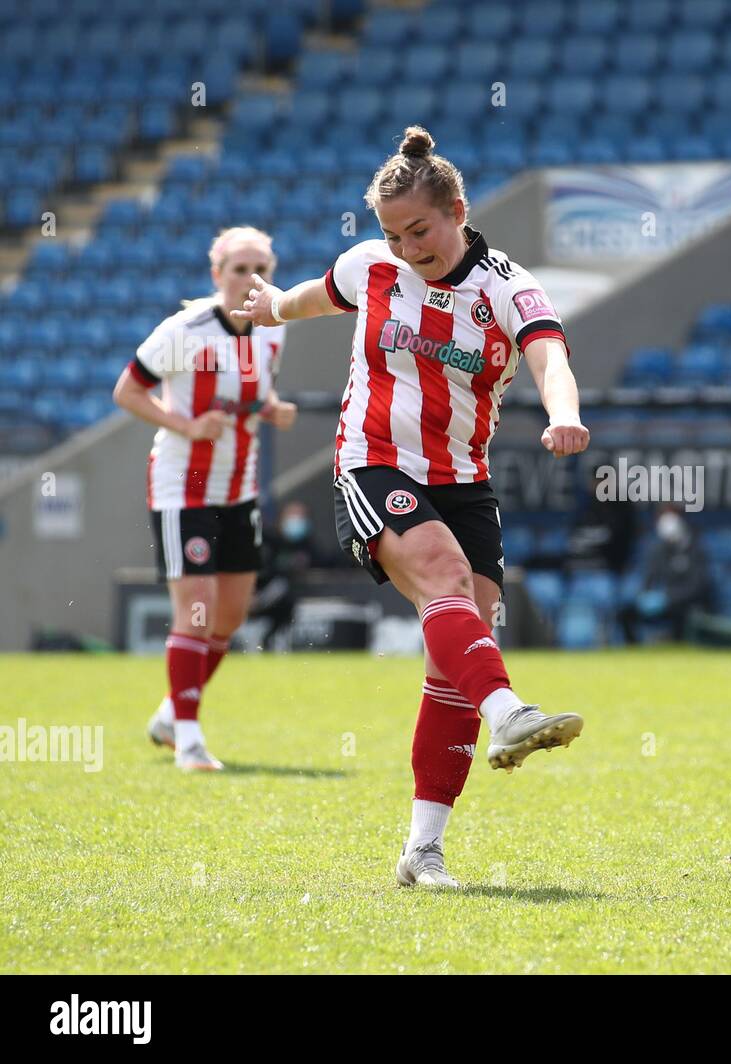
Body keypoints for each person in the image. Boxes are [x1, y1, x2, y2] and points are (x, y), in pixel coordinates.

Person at [232, 126, 589, 889]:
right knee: (443, 576)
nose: (406, 246)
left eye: (419, 229)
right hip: (372, 463)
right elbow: (314, 295)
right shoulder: (372, 265)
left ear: (457, 209)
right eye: (393, 233)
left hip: (464, 480)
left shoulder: (505, 285)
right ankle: (511, 714)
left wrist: (563, 411)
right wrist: (268, 311)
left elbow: (549, 354)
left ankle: (422, 850)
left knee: (452, 662)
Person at [113, 226, 296, 771]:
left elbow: (253, 392)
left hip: (239, 488)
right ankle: (189, 740)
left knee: (230, 617)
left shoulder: (272, 329)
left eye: (259, 267)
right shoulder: (184, 330)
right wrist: (187, 427)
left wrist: (272, 407)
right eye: (238, 268)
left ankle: (172, 711)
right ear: (217, 275)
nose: (249, 278)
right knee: (195, 612)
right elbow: (127, 391)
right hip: (183, 489)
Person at [617, 504, 713, 643]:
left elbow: (699, 586)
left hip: (684, 604)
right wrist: (645, 596)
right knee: (625, 613)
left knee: (684, 614)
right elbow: (649, 579)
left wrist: (669, 597)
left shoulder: (695, 548)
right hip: (663, 604)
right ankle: (634, 649)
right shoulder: (657, 550)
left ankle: (680, 647)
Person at [251, 500, 339, 648]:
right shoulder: (267, 542)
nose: (296, 520)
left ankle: (270, 641)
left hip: (285, 606)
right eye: (292, 515)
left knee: (285, 595)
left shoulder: (308, 546)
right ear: (281, 519)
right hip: (256, 596)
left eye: (300, 516)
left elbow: (328, 562)